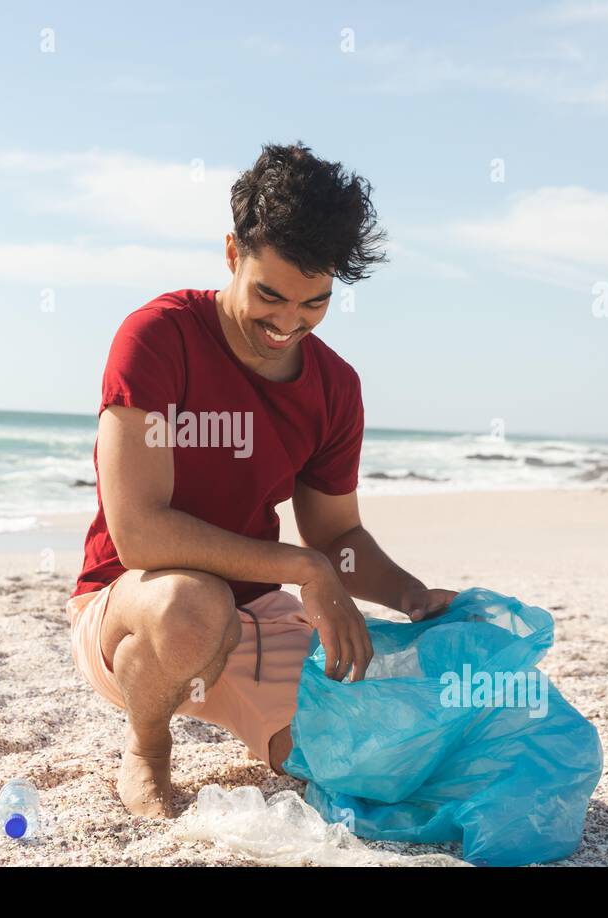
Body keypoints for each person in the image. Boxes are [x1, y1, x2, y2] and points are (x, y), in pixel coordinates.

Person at [66, 142, 458, 818]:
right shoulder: (157, 338)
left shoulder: (335, 386)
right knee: (193, 607)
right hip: (136, 613)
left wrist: (414, 597)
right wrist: (305, 569)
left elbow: (338, 536)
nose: (287, 323)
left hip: (256, 618)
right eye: (269, 295)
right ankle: (147, 746)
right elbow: (139, 533)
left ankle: (259, 719)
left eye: (314, 303)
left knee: (364, 766)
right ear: (231, 254)